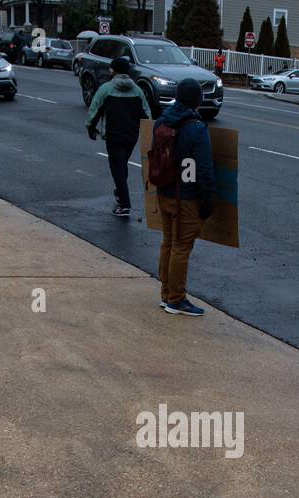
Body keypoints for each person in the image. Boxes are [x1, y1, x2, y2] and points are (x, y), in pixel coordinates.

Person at [153, 78, 215, 316]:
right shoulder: (196, 128)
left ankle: (166, 293)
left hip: (165, 192)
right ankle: (176, 300)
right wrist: (207, 201)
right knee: (182, 247)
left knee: (168, 242)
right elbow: (204, 169)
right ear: (198, 100)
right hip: (186, 197)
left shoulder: (163, 119)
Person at [85, 55, 150, 218]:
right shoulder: (137, 90)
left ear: (113, 70)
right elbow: (146, 114)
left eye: (110, 68)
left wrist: (91, 129)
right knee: (122, 165)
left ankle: (125, 204)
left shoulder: (106, 89)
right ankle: (120, 192)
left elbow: (94, 111)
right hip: (131, 135)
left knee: (117, 169)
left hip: (114, 135)